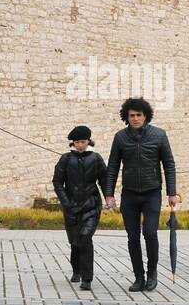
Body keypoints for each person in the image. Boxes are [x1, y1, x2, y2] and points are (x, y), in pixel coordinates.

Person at [104, 97, 178, 293]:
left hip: (152, 192)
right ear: (126, 117)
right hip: (129, 193)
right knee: (132, 236)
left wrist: (172, 192)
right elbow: (112, 167)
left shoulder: (159, 135)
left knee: (150, 233)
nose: (135, 118)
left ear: (146, 116)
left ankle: (152, 273)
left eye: (138, 115)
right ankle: (139, 277)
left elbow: (169, 165)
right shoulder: (120, 137)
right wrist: (109, 194)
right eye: (131, 115)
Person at [53, 125, 106, 291]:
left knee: (85, 238)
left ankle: (87, 278)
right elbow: (57, 182)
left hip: (91, 206)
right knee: (75, 242)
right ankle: (76, 270)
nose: (80, 145)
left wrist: (109, 198)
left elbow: (104, 180)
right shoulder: (65, 159)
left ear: (88, 141)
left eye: (83, 142)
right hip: (72, 207)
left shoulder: (96, 158)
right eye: (77, 142)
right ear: (73, 143)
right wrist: (66, 202)